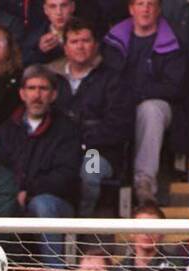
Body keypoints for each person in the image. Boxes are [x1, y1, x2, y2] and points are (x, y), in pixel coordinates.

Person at [0, 64, 80, 271]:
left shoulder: (67, 129)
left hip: (56, 203)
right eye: (31, 88)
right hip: (13, 198)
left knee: (43, 204)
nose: (37, 94)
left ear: (53, 95)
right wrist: (13, 193)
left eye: (43, 89)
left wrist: (29, 191)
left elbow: (67, 176)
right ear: (22, 93)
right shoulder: (6, 129)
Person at [105, 0, 189, 204]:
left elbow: (174, 87)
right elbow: (108, 79)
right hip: (120, 104)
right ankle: (107, 177)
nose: (145, 9)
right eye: (140, 4)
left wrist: (138, 94)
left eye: (151, 4)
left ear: (158, 10)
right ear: (131, 9)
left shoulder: (173, 39)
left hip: (163, 107)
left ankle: (144, 181)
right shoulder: (114, 40)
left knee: (149, 110)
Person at [51, 17, 128, 217]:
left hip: (96, 151)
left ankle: (82, 225)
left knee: (89, 173)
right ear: (65, 47)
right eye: (74, 42)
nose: (80, 47)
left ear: (95, 45)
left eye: (85, 41)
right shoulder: (53, 80)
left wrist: (82, 143)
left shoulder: (112, 79)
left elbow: (117, 125)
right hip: (60, 149)